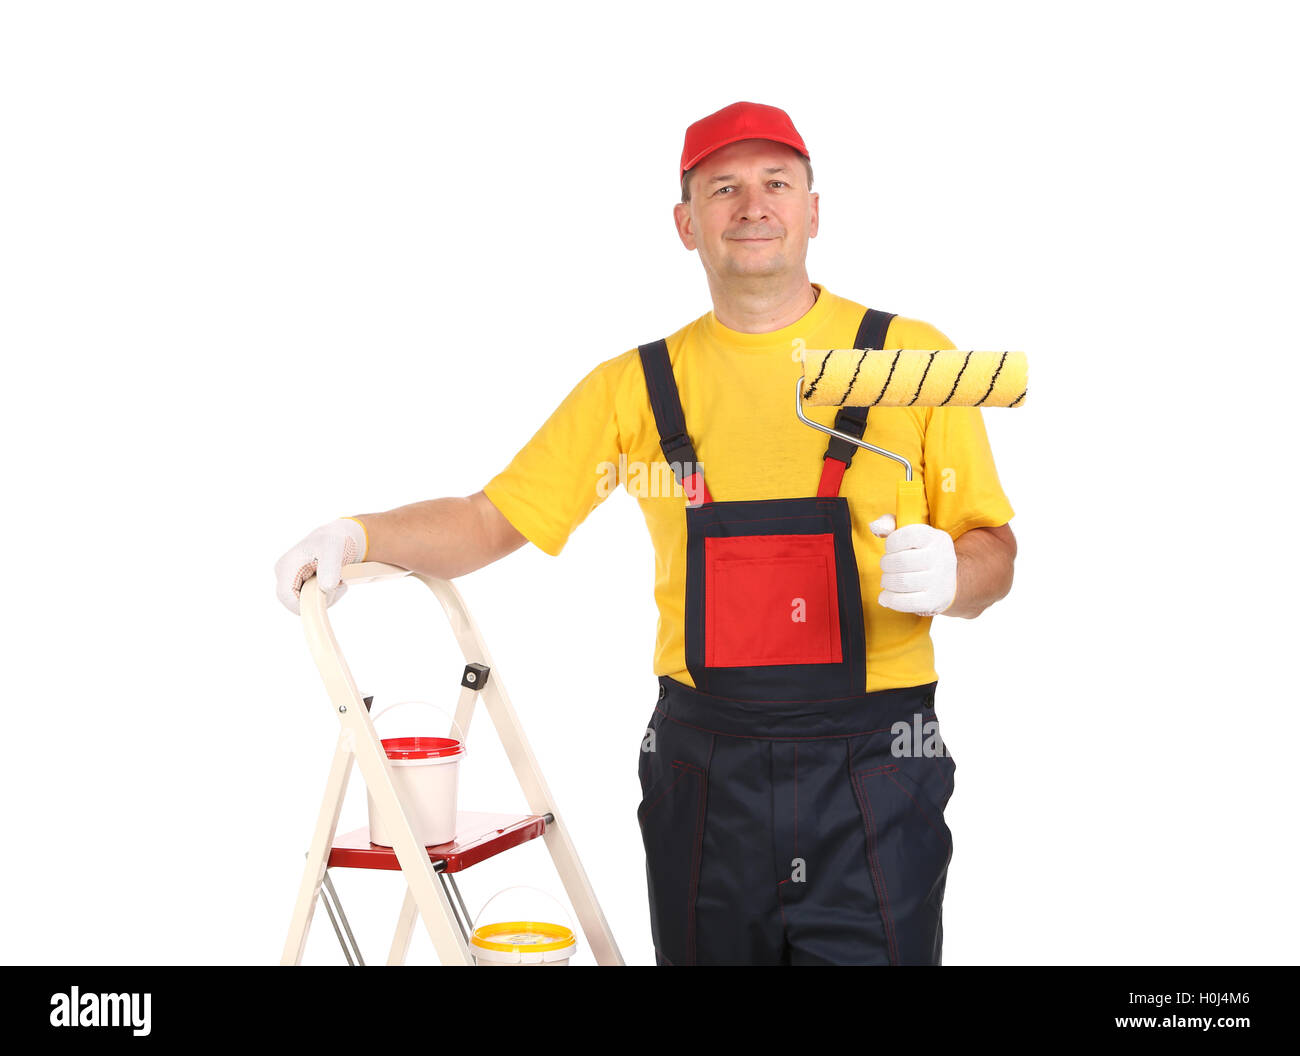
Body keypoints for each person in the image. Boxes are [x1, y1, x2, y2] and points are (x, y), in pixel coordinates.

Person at [274, 101, 1017, 965]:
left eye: (777, 183)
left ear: (815, 210)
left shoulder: (911, 357)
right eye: (723, 187)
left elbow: (992, 552)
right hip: (707, 772)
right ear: (684, 223)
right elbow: (489, 520)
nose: (753, 205)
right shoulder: (636, 386)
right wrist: (360, 534)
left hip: (879, 767)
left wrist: (955, 578)